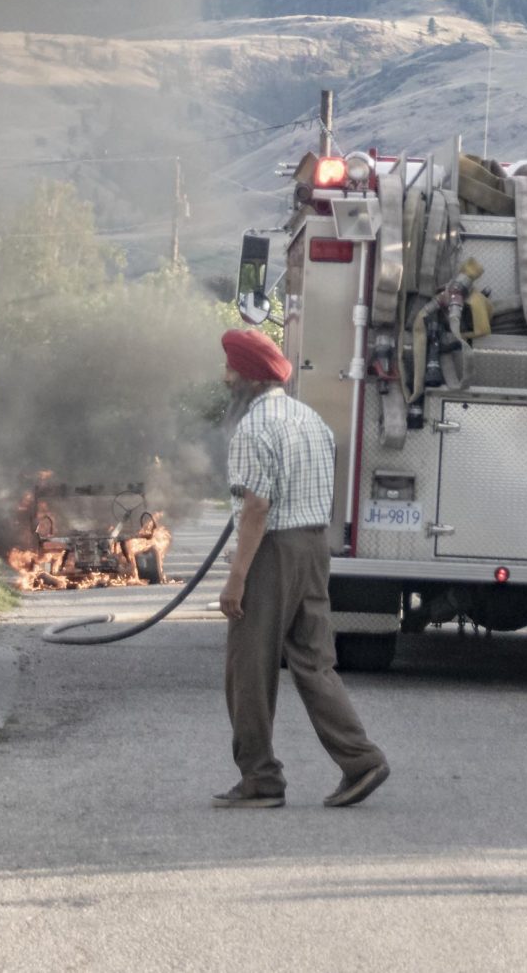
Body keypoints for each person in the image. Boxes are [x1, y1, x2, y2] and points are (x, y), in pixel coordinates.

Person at [213, 327, 389, 810]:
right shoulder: (309, 419)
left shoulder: (253, 428)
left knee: (248, 667)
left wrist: (237, 578)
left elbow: (256, 509)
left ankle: (260, 779)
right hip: (314, 546)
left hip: (274, 550)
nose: (224, 376)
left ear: (247, 376)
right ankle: (361, 759)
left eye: (229, 368)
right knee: (315, 662)